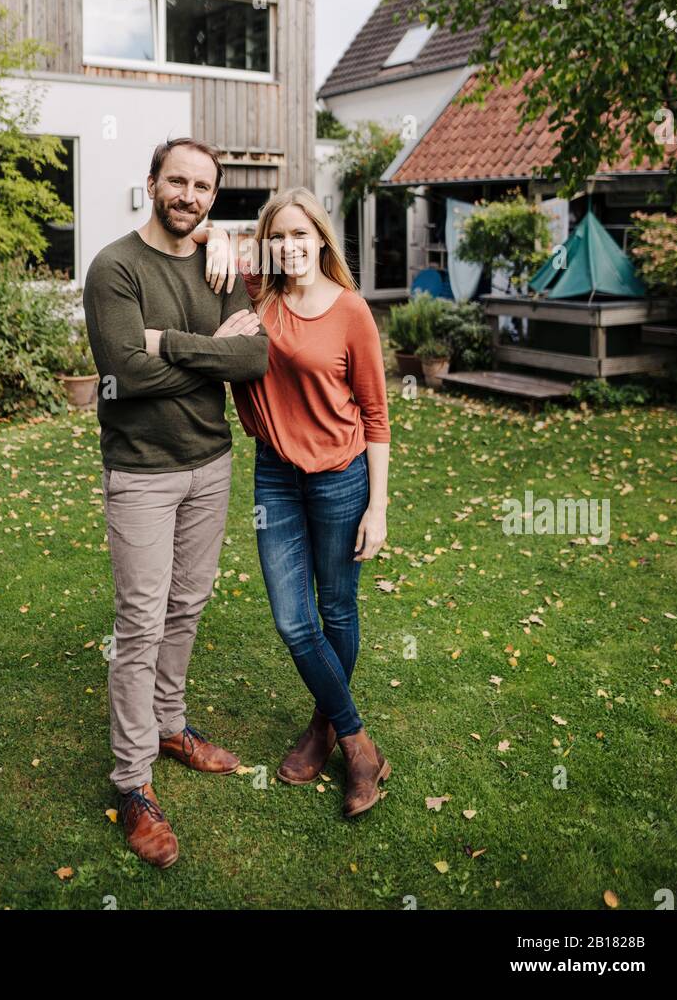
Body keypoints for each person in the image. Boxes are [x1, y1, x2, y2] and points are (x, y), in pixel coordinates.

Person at [83, 138, 269, 867]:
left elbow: (252, 358)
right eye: (177, 181)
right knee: (140, 620)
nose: (189, 195)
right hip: (141, 472)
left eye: (202, 186)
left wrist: (171, 343)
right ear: (151, 182)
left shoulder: (219, 262)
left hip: (210, 466)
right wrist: (207, 353)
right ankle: (132, 782)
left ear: (212, 197)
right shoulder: (114, 268)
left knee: (187, 605)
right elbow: (122, 375)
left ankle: (170, 725)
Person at [191, 188, 392, 817]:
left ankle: (323, 727)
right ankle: (358, 741)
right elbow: (197, 232)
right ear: (268, 243)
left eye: (301, 236)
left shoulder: (351, 310)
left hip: (340, 476)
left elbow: (378, 415)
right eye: (278, 236)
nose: (289, 247)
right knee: (291, 619)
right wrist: (221, 238)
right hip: (275, 476)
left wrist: (378, 507)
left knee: (336, 608)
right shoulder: (261, 293)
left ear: (322, 240)